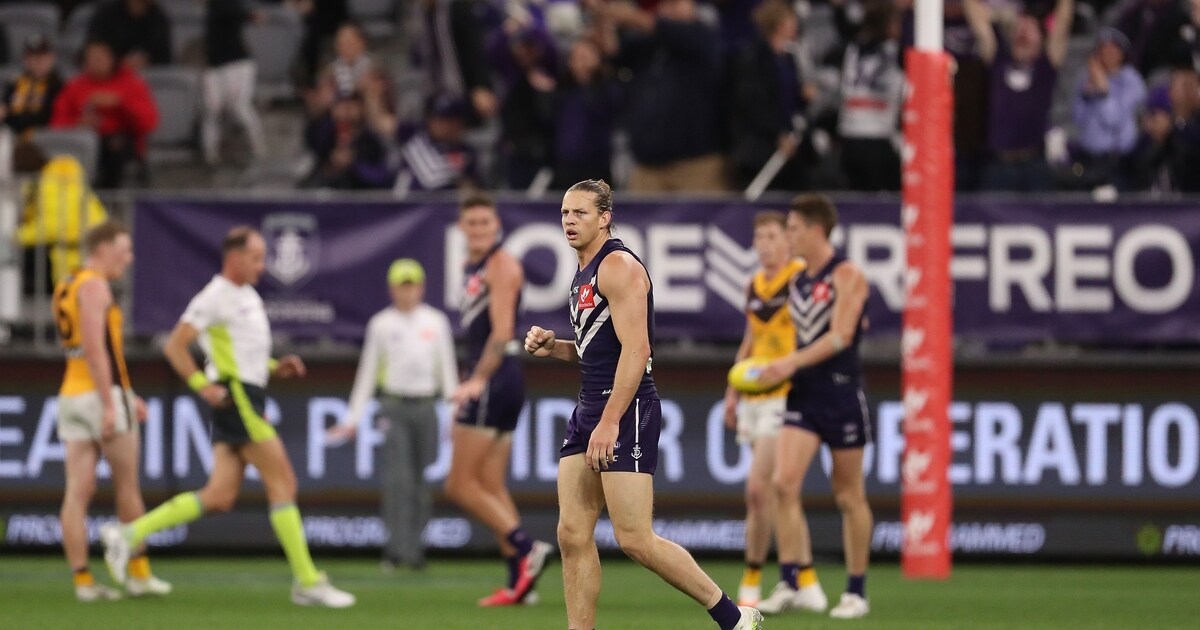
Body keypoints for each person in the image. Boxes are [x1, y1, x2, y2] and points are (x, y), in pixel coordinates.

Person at [523, 179, 763, 630]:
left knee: (634, 539)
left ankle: (734, 617)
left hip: (626, 410)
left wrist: (611, 421)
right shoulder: (584, 271)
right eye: (565, 213)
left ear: (605, 218)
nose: (570, 221)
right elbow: (598, 348)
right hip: (589, 408)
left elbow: (638, 351)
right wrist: (554, 346)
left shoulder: (618, 266)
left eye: (580, 213)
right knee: (571, 533)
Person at [100, 226, 355, 609]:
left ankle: (128, 534)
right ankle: (307, 581)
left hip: (245, 392)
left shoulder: (247, 295)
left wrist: (274, 367)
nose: (262, 265)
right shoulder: (214, 296)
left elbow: (240, 353)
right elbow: (175, 347)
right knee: (283, 480)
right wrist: (202, 385)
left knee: (218, 496)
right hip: (237, 398)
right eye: (255, 258)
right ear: (234, 258)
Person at [756, 193, 872, 619]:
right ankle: (793, 581)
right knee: (783, 484)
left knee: (848, 494)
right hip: (803, 391)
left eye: (792, 229)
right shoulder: (799, 279)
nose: (787, 237)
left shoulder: (847, 274)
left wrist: (789, 361)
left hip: (840, 392)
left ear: (816, 230)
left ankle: (856, 590)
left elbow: (841, 335)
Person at [52, 221, 170, 602]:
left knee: (77, 492)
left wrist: (124, 393)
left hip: (71, 393)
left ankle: (83, 581)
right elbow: (97, 348)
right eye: (124, 249)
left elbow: (80, 351)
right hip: (98, 395)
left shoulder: (68, 282)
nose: (129, 258)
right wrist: (112, 400)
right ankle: (138, 573)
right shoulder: (95, 286)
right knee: (127, 486)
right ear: (102, 248)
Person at [445, 193, 554, 606]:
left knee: (459, 484)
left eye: (484, 223)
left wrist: (475, 380)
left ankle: (526, 549)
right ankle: (519, 585)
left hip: (496, 378)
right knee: (490, 484)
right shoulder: (473, 266)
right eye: (471, 223)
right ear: (462, 227)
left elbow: (503, 331)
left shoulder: (502, 264)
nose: (478, 229)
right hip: (497, 378)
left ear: (497, 226)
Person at [325, 259, 459, 571]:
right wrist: (353, 418)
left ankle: (415, 549)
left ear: (421, 288)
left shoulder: (436, 322)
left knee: (421, 484)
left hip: (427, 406)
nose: (407, 292)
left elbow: (448, 372)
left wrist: (453, 415)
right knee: (398, 482)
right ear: (392, 289)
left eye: (412, 285)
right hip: (394, 407)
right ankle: (397, 551)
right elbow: (367, 373)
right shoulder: (381, 324)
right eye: (402, 285)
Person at [723, 211, 824, 610]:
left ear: (787, 241)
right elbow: (751, 337)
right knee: (782, 494)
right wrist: (732, 390)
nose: (764, 243)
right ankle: (807, 581)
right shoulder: (754, 284)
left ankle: (753, 579)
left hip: (785, 394)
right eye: (758, 236)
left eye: (771, 236)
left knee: (759, 488)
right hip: (754, 397)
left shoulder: (800, 277)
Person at [964, 0, 1073, 192]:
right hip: (999, 165)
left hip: (1034, 164)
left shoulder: (1045, 65)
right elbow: (976, 18)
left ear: (1042, 38)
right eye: (1019, 28)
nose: (1023, 33)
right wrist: (998, 14)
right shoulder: (998, 60)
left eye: (1030, 29)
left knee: (1042, 218)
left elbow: (1063, 23)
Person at [50, 40, 159, 189]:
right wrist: (77, 123)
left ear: (113, 58)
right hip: (83, 141)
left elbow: (148, 123)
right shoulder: (74, 86)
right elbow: (56, 124)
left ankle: (111, 202)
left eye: (100, 57)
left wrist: (120, 103)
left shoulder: (132, 84)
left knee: (115, 148)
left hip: (122, 142)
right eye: (91, 58)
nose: (95, 62)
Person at [1069, 27, 1147, 191]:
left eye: (1113, 48)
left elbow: (1113, 119)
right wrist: (1087, 94)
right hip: (1088, 159)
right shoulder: (1086, 77)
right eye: (1103, 48)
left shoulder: (1131, 80)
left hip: (1118, 163)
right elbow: (1077, 118)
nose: (1108, 52)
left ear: (1122, 53)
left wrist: (1103, 91)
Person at [201, 0, 268, 165]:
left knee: (239, 106)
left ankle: (259, 148)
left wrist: (250, 16)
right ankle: (210, 154)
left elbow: (235, 11)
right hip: (214, 65)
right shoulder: (212, 7)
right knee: (211, 109)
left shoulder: (225, 5)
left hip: (238, 64)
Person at [0, 34, 64, 137]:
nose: (37, 62)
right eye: (32, 57)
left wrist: (11, 116)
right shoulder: (14, 83)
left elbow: (47, 116)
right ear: (25, 59)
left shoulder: (58, 86)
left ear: (52, 58)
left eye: (42, 57)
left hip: (43, 136)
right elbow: (5, 108)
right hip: (11, 135)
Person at [86, 0, 173, 72]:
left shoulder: (159, 19)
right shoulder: (105, 15)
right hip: (110, 76)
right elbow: (93, 49)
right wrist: (118, 62)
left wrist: (146, 61)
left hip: (151, 77)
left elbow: (166, 59)